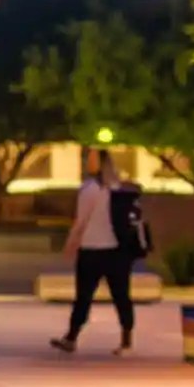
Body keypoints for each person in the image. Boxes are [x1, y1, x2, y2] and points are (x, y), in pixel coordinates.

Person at [51, 148, 135, 356]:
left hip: (92, 251)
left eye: (90, 159)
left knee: (83, 296)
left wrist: (70, 245)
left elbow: (81, 221)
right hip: (117, 251)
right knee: (121, 296)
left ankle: (71, 337)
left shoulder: (90, 189)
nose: (87, 161)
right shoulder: (116, 188)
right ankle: (126, 340)